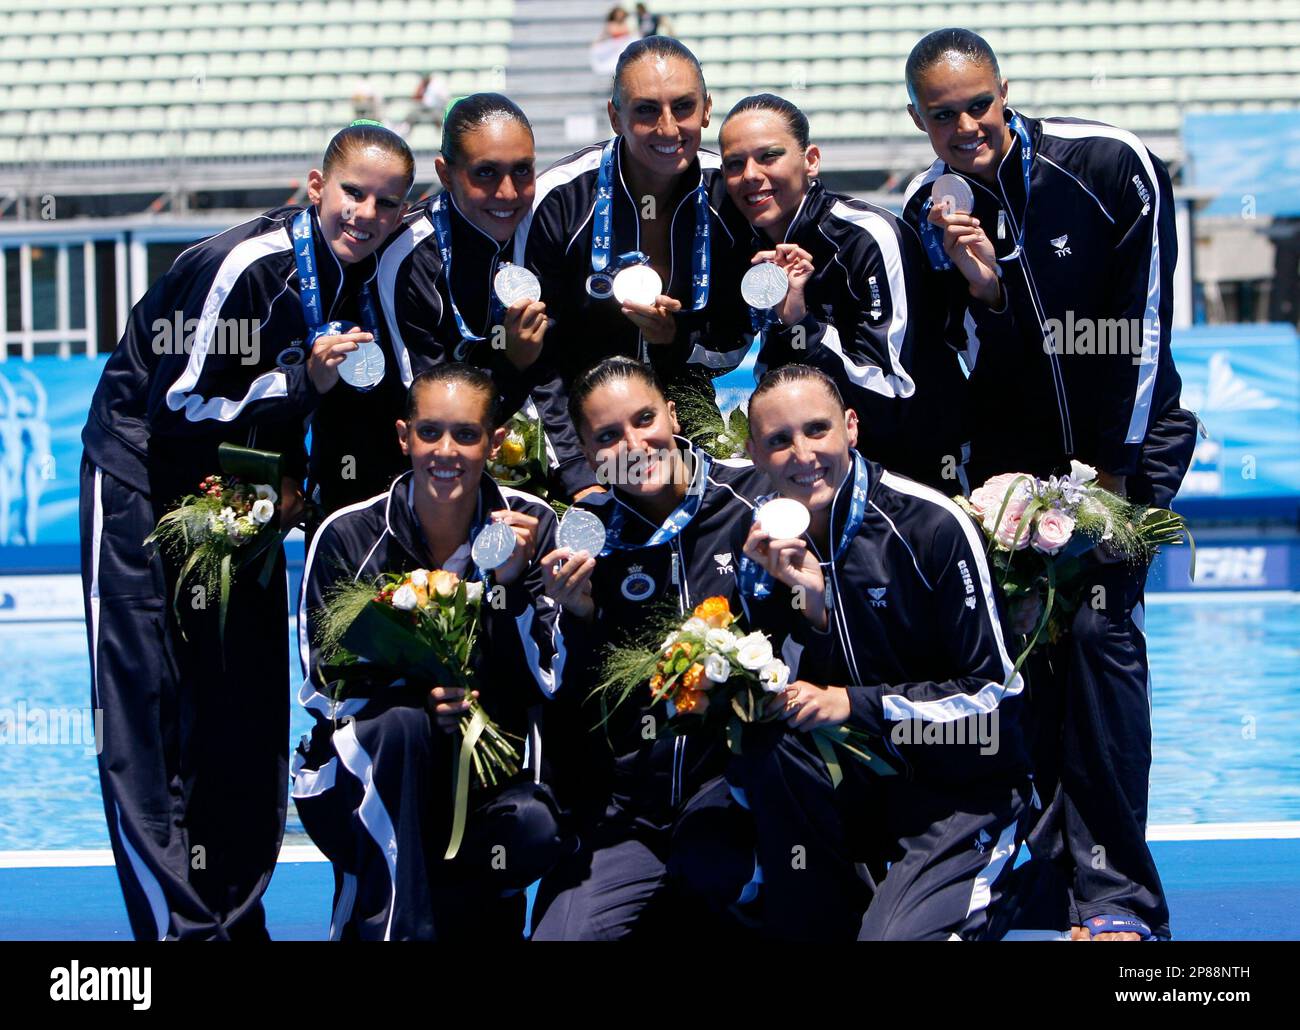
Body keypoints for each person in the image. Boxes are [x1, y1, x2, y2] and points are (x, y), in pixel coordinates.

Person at [79, 122, 413, 939]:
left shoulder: (369, 275)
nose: (366, 212)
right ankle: (179, 930)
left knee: (243, 713)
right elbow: (175, 406)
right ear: (315, 186)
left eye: (386, 202)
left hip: (248, 501)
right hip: (142, 491)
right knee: (148, 718)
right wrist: (303, 378)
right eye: (352, 193)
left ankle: (234, 911)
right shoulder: (242, 265)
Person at [900, 28, 1198, 940]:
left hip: (1123, 454)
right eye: (943, 114)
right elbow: (957, 367)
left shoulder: (1112, 166)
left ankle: (1116, 899)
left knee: (1104, 652)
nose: (966, 125)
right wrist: (987, 292)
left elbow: (1142, 339)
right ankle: (1050, 872)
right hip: (1012, 474)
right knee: (1028, 660)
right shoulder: (925, 209)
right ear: (919, 120)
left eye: (978, 104)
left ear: (1004, 93)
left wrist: (1113, 484)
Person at [733, 364, 1032, 940]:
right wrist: (812, 612)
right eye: (778, 440)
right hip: (860, 788)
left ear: (851, 427)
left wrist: (854, 703)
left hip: (960, 791)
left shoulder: (931, 525)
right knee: (761, 759)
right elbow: (767, 697)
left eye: (816, 430)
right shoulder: (760, 545)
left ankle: (1012, 884)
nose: (802, 454)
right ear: (753, 454)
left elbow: (996, 696)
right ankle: (832, 907)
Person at [292, 363, 571, 940]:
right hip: (365, 779)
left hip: (490, 783)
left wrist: (512, 584)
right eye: (430, 432)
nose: (446, 451)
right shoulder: (348, 534)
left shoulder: (533, 526)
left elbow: (550, 677)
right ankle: (391, 926)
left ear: (494, 442)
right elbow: (324, 683)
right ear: (403, 437)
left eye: (467, 435)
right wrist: (423, 701)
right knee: (400, 730)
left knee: (535, 829)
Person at [530, 356, 768, 940]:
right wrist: (580, 617)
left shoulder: (756, 497)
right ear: (586, 457)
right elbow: (571, 701)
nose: (635, 444)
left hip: (741, 798)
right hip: (630, 815)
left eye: (644, 419)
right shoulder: (585, 541)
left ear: (673, 414)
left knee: (713, 867)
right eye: (608, 436)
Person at [516, 35, 752, 501]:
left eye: (683, 107)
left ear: (707, 109)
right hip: (581, 438)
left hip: (686, 426)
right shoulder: (560, 200)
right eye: (645, 110)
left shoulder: (730, 197)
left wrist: (678, 340)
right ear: (614, 116)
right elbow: (534, 356)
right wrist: (576, 469)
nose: (668, 128)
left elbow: (737, 335)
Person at [718, 93, 968, 490]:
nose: (750, 174)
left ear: (811, 160)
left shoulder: (868, 238)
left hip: (912, 480)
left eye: (769, 156)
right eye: (734, 164)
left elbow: (896, 397)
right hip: (813, 479)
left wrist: (803, 325)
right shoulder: (743, 244)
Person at [376, 94, 547, 455]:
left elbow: (557, 372)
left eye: (522, 170)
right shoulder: (408, 261)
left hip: (526, 442)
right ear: (445, 174)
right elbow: (430, 416)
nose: (507, 192)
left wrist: (578, 474)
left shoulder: (543, 229)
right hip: (435, 460)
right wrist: (513, 365)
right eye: (485, 172)